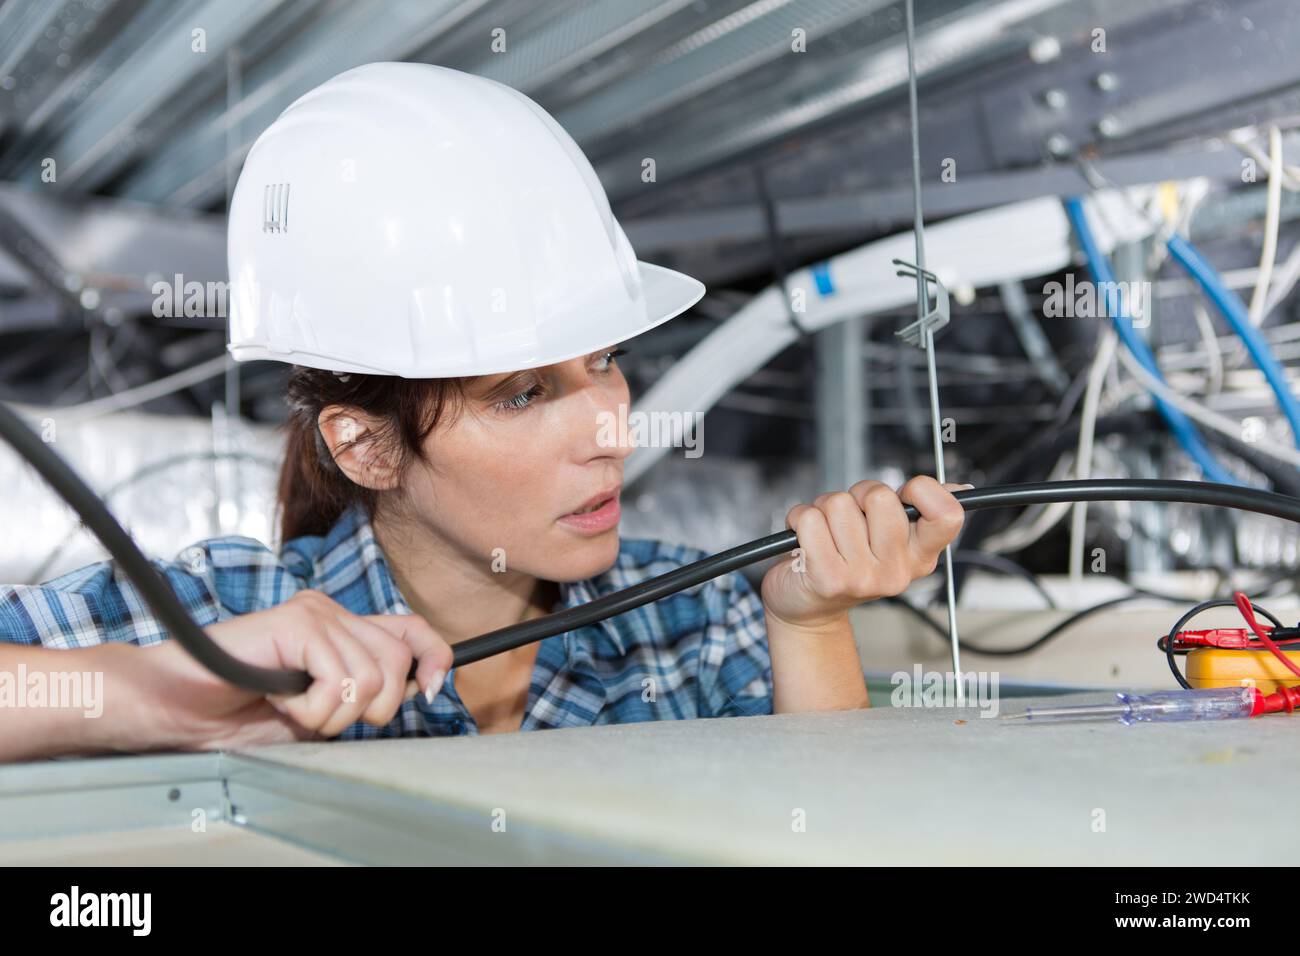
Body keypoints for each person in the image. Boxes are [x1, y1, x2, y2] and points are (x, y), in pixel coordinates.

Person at [0, 63, 966, 763]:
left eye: (606, 363)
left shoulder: (701, 614)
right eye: (522, 393)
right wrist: (168, 695)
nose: (613, 430)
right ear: (366, 446)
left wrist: (809, 627)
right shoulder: (226, 617)